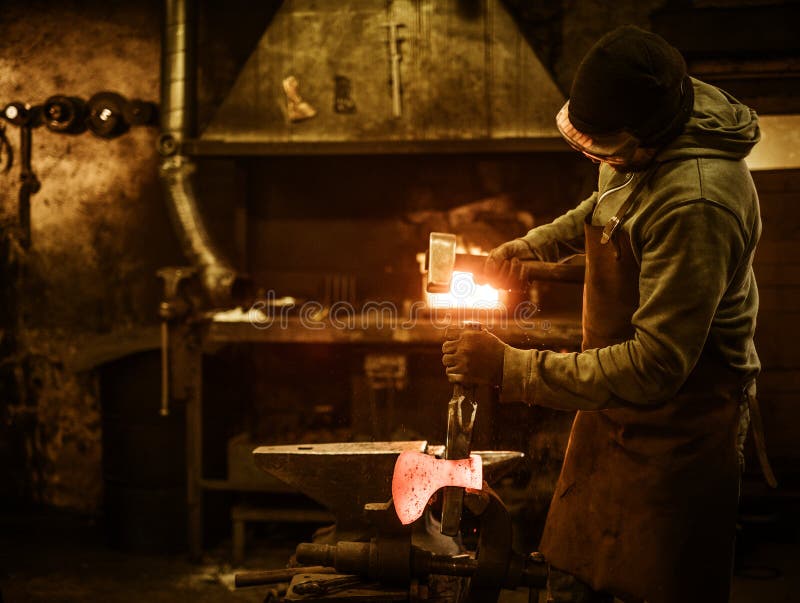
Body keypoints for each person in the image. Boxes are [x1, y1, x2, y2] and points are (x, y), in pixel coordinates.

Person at [441, 25, 766, 603]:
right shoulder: (638, 143)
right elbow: (608, 203)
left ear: (650, 136)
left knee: (658, 584)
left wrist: (512, 368)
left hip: (682, 419)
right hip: (614, 403)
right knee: (573, 572)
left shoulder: (698, 201)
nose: (600, 158)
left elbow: (655, 368)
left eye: (607, 147)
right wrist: (536, 246)